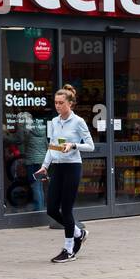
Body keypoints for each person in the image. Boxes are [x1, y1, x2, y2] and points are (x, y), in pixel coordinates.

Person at [34, 85, 94, 262]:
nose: (58, 106)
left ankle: (68, 250)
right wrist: (45, 166)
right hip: (57, 167)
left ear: (70, 104)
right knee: (52, 209)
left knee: (66, 209)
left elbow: (91, 146)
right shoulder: (53, 122)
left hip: (72, 167)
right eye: (56, 103)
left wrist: (73, 145)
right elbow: (52, 146)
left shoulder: (79, 122)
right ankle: (78, 232)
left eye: (61, 103)